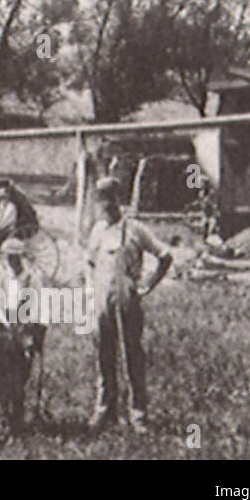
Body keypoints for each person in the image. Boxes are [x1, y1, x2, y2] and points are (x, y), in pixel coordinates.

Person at [84, 177, 173, 434]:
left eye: (111, 199)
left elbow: (165, 256)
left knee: (132, 353)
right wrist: (91, 290)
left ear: (119, 200)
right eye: (102, 200)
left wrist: (147, 285)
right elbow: (89, 262)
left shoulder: (135, 228)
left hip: (127, 295)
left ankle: (138, 414)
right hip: (102, 294)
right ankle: (105, 410)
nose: (107, 205)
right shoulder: (97, 230)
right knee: (103, 354)